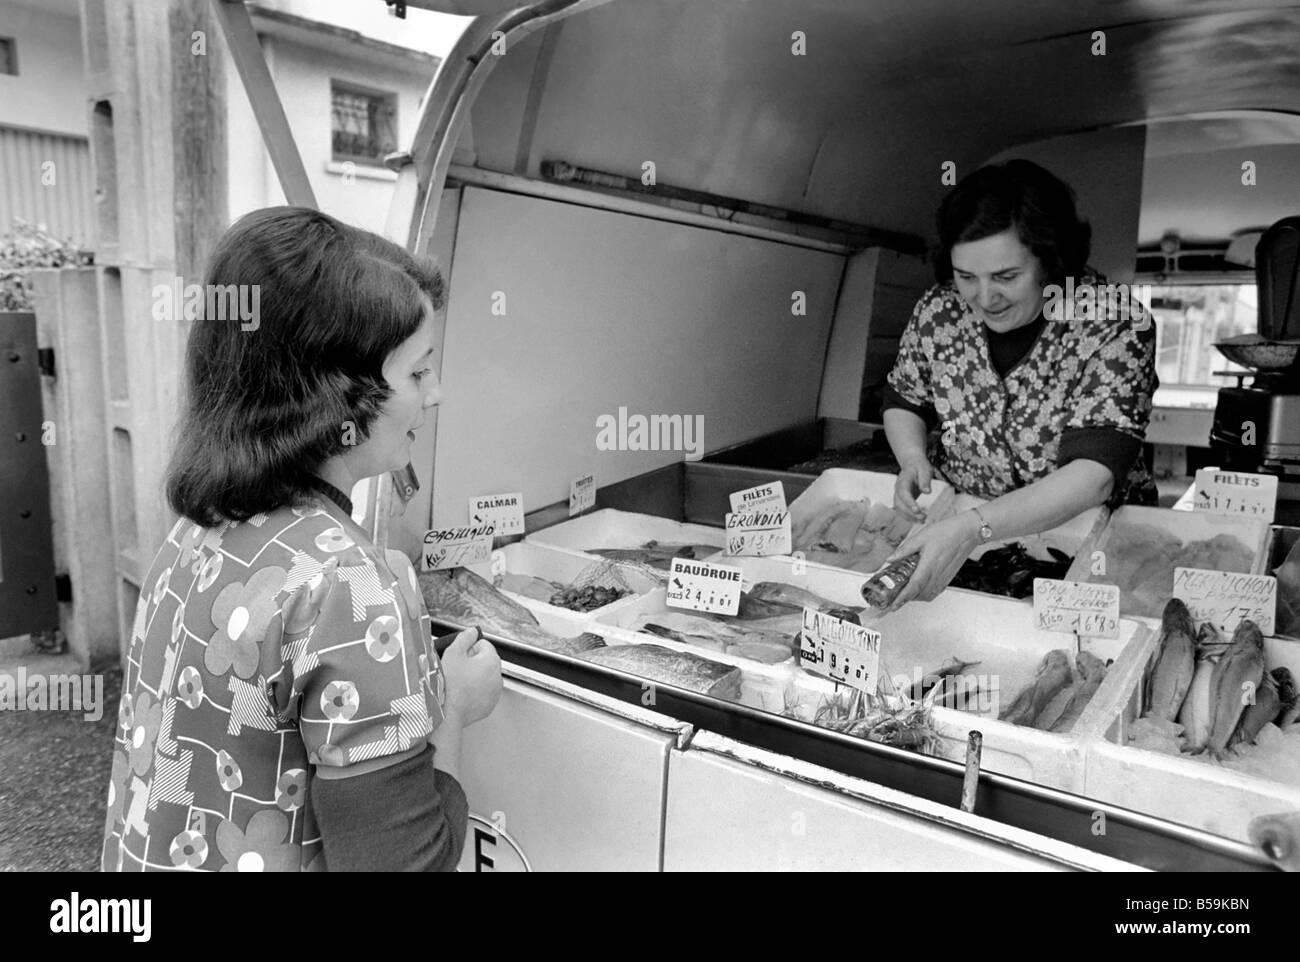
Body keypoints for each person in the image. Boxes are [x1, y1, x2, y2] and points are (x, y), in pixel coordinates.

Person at [101, 207, 502, 871]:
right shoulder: (348, 585)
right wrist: (451, 706)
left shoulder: (196, 527)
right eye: (418, 373)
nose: (435, 395)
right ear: (339, 396)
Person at [880, 159, 1157, 609]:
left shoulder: (1112, 322)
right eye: (966, 276)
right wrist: (911, 458)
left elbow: (1093, 477)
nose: (984, 298)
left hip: (1089, 535)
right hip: (962, 526)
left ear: (1050, 260)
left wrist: (974, 527)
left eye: (1006, 277)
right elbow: (904, 397)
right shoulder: (938, 312)